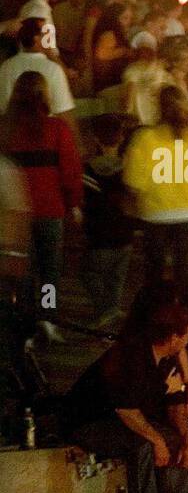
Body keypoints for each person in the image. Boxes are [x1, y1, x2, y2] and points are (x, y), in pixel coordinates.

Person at [62, 301, 188, 493]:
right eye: (187, 335)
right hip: (90, 421)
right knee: (142, 443)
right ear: (174, 337)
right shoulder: (130, 356)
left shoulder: (168, 359)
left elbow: (175, 404)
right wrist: (157, 440)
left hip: (124, 418)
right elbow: (126, 411)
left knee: (176, 439)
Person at [0, 71, 81, 344]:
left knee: (23, 271)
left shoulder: (5, 129)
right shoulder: (56, 128)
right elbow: (70, 171)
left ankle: (25, 322)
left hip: (14, 214)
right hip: (50, 209)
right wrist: (73, 203)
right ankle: (48, 317)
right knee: (50, 269)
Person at [123, 85, 188, 293]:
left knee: (154, 272)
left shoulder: (144, 138)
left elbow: (134, 182)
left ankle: (156, 317)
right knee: (186, 274)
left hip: (155, 213)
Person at [80, 114, 133, 329]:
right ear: (120, 137)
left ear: (95, 138)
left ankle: (104, 310)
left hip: (98, 235)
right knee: (117, 276)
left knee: (89, 273)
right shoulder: (127, 168)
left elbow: (82, 200)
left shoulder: (88, 171)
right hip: (124, 234)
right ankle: (112, 308)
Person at [0, 19, 76, 123]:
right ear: (36, 39)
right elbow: (64, 113)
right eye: (46, 33)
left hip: (12, 133)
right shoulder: (52, 69)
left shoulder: (6, 67)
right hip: (44, 135)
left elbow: (3, 108)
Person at [89, 1, 132, 93]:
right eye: (125, 18)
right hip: (108, 84)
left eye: (129, 18)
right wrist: (123, 51)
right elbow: (101, 54)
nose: (128, 22)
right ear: (115, 18)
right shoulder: (109, 34)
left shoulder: (118, 33)